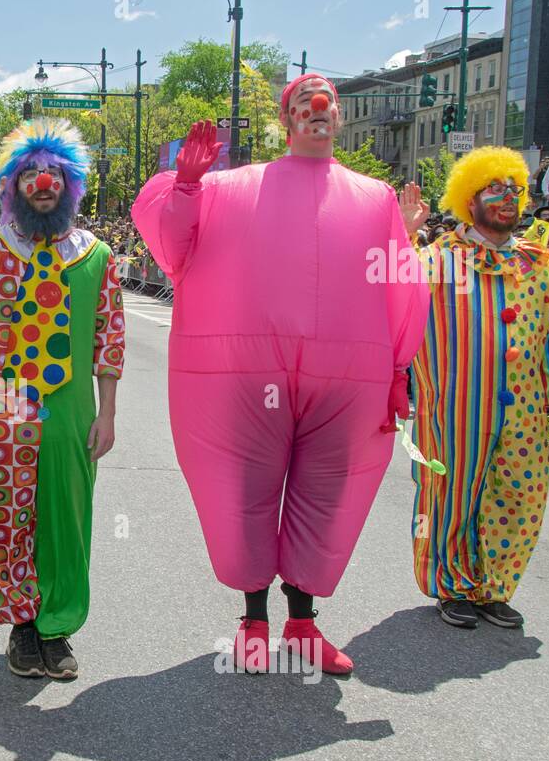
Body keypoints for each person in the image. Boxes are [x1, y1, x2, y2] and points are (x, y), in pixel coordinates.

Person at [131, 75, 429, 675]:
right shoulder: (230, 187)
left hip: (346, 379)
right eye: (302, 104)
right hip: (248, 373)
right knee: (245, 494)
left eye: (325, 104)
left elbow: (399, 281)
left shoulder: (373, 198)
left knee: (328, 499)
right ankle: (254, 623)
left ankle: (302, 624)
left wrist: (399, 368)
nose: (316, 111)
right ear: (287, 118)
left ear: (339, 117)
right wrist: (186, 185)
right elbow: (175, 245)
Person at [0, 118, 125, 681]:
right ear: (15, 186)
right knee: (3, 510)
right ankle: (22, 623)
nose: (43, 182)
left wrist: (107, 412)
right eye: (30, 175)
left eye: (54, 174)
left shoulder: (95, 255)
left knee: (66, 513)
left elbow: (108, 336)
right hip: (2, 398)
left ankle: (56, 625)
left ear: (70, 185)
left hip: (69, 404)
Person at [402, 147, 549, 629]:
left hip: (523, 410)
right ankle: (452, 583)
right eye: (495, 189)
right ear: (468, 198)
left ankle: (493, 586)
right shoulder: (437, 259)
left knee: (518, 497)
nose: (508, 198)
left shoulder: (536, 264)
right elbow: (388, 299)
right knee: (453, 495)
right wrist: (402, 234)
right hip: (457, 407)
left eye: (516, 190)